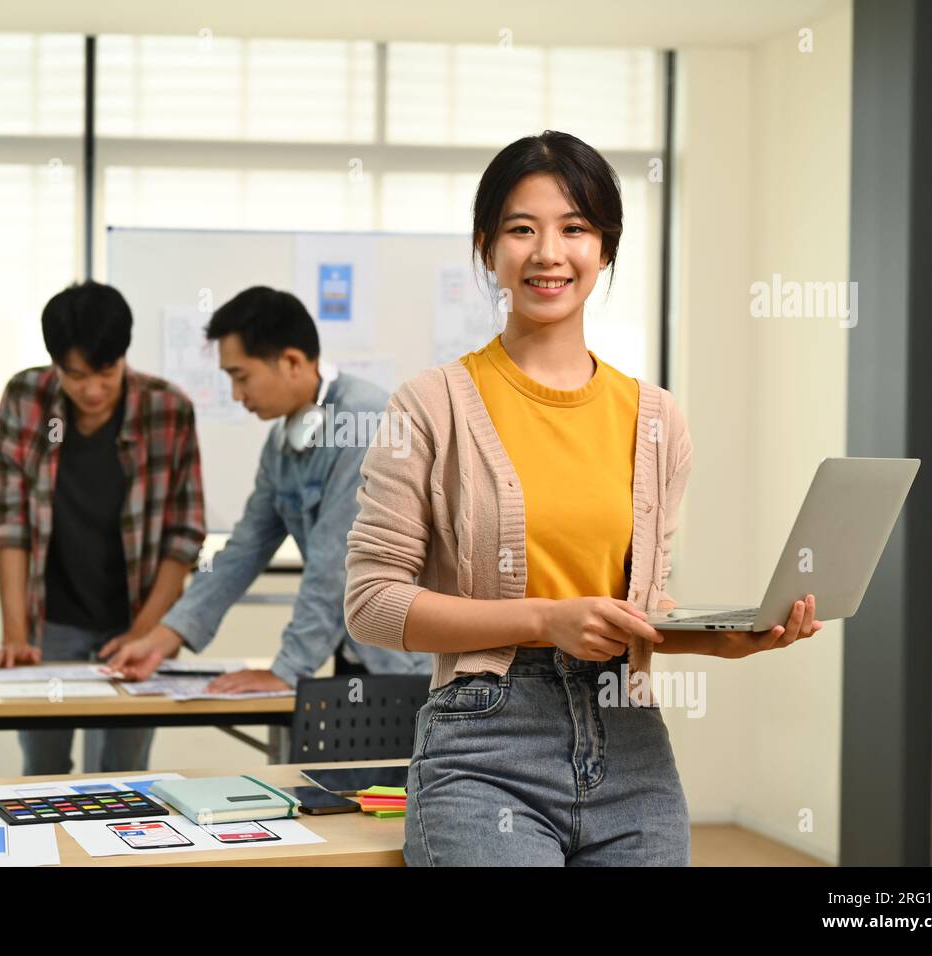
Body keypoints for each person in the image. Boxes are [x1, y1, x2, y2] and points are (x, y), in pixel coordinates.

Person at [344, 130, 824, 866]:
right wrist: (544, 618)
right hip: (484, 749)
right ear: (487, 248)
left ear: (605, 248)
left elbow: (639, 609)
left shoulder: (657, 420)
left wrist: (725, 640)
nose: (548, 253)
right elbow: (372, 604)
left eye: (575, 228)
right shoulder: (429, 405)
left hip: (631, 747)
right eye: (521, 229)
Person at [107, 286, 431, 691]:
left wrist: (286, 670)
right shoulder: (282, 444)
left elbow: (336, 564)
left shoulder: (364, 422)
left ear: (292, 362)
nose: (236, 395)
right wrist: (163, 636)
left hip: (414, 664)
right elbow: (244, 549)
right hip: (359, 657)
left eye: (241, 377)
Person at [0, 280, 205, 776]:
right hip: (52, 620)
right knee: (41, 769)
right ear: (55, 363)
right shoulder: (25, 396)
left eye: (104, 372)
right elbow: (10, 521)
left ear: (123, 355)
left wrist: (145, 633)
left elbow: (184, 536)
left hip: (135, 613)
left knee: (123, 773)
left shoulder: (167, 408)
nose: (91, 390)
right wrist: (16, 632)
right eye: (75, 375)